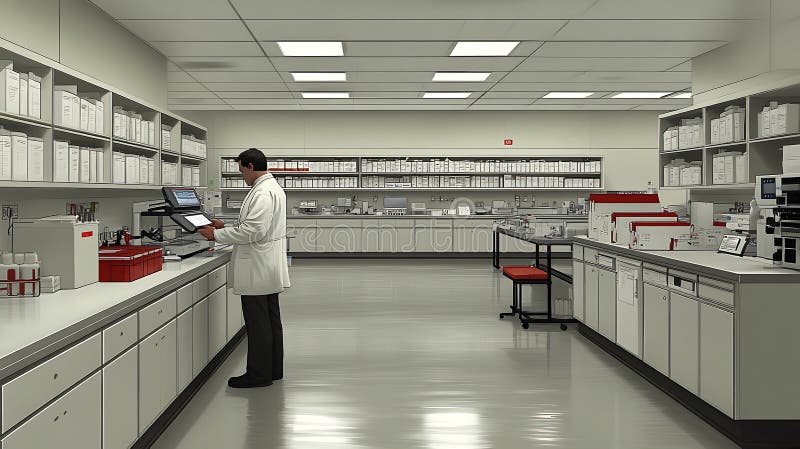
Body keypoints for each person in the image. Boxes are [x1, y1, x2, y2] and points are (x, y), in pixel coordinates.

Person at [197, 148, 290, 388]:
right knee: (270, 320)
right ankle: (273, 370)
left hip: (258, 267)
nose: (242, 176)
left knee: (258, 324)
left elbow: (253, 231)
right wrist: (225, 225)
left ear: (250, 166)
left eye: (241, 171)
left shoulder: (262, 192)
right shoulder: (270, 188)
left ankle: (258, 375)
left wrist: (215, 234)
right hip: (266, 265)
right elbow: (255, 225)